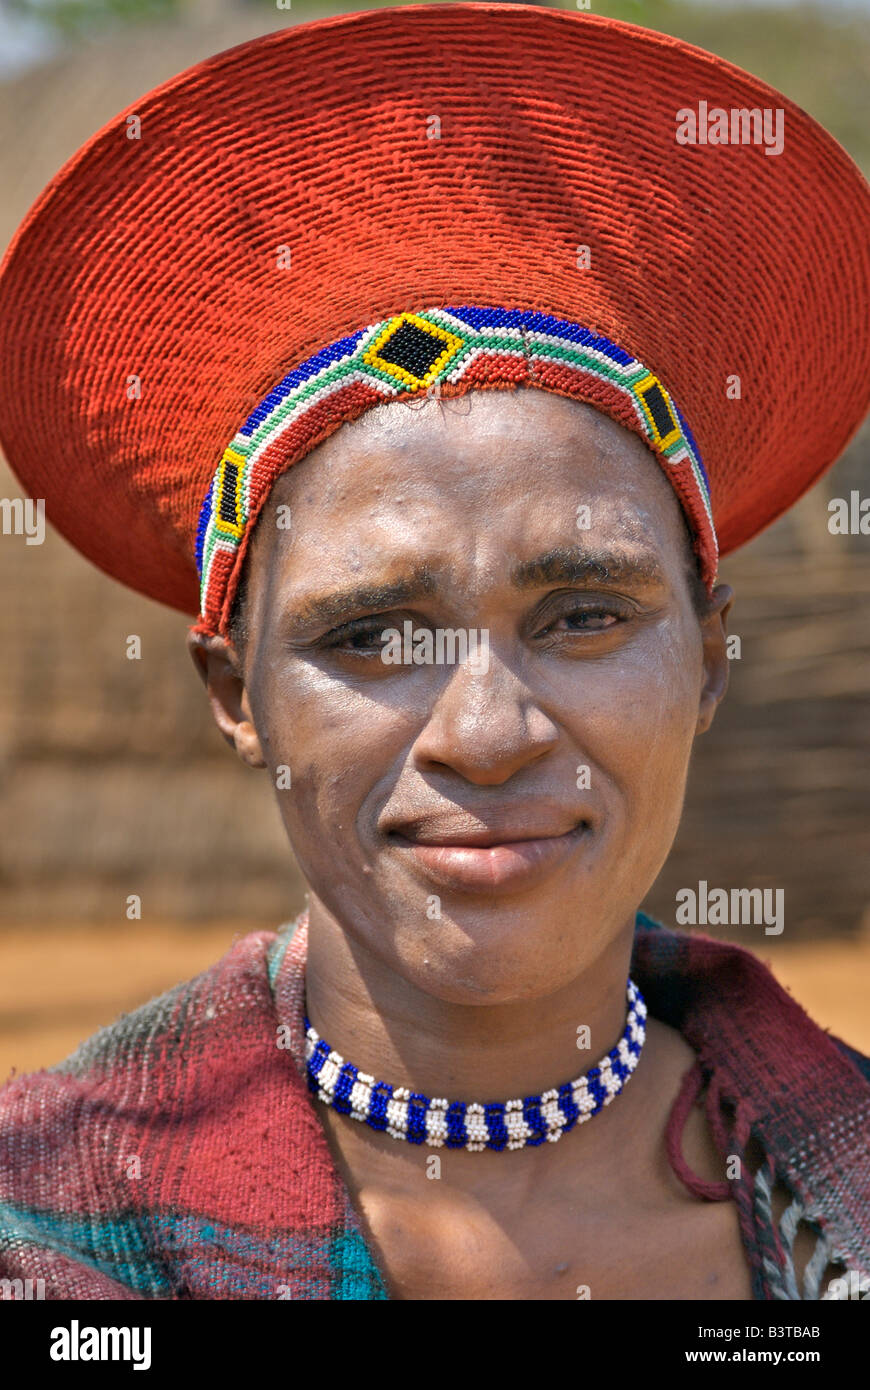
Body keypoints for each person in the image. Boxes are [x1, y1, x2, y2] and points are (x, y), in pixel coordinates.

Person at [0, 4, 868, 1302]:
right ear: (238, 700)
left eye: (583, 613)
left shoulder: (831, 1159)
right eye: (370, 635)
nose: (486, 728)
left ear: (708, 658)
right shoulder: (56, 1231)